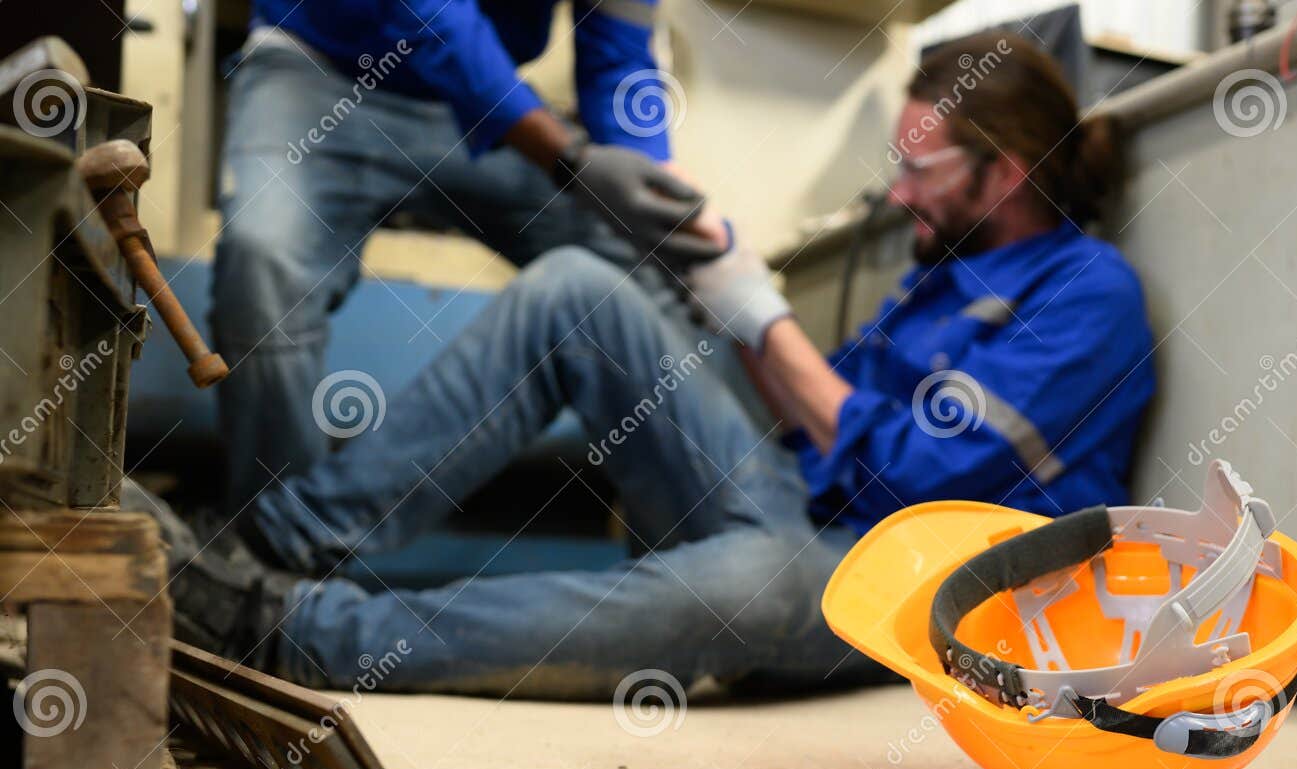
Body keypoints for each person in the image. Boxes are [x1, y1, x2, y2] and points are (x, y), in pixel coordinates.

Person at [142, 32, 1156, 702]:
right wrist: (715, 286)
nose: (896, 197)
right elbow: (819, 423)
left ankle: (299, 633)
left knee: (751, 584)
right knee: (580, 286)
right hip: (803, 508)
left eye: (918, 171)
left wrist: (759, 315)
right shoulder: (941, 274)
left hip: (915, 584)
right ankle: (262, 552)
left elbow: (912, 480)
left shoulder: (1087, 295)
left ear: (1006, 173)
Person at [212, 0, 722, 505]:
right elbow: (427, 13)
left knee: (654, 272)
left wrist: (648, 182)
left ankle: (700, 559)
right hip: (315, 67)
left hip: (471, 99)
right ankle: (273, 561)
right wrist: (570, 159)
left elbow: (616, 54)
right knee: (263, 258)